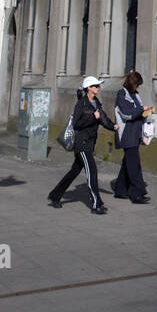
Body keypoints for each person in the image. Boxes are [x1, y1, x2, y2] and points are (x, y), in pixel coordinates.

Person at [48, 76, 115, 214]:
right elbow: (76, 124)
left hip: (90, 143)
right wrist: (92, 118)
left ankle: (55, 196)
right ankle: (96, 204)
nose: (98, 88)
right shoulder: (81, 104)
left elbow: (103, 118)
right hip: (82, 143)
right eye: (96, 86)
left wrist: (113, 126)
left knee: (74, 171)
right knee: (92, 171)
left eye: (98, 86)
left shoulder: (96, 102)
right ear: (88, 88)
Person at [112, 70, 154, 204]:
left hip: (135, 133)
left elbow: (137, 112)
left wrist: (146, 111)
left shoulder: (135, 95)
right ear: (132, 83)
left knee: (128, 163)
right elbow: (127, 114)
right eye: (137, 84)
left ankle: (120, 189)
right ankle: (137, 193)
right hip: (127, 134)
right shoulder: (121, 94)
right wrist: (142, 109)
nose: (138, 87)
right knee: (134, 165)